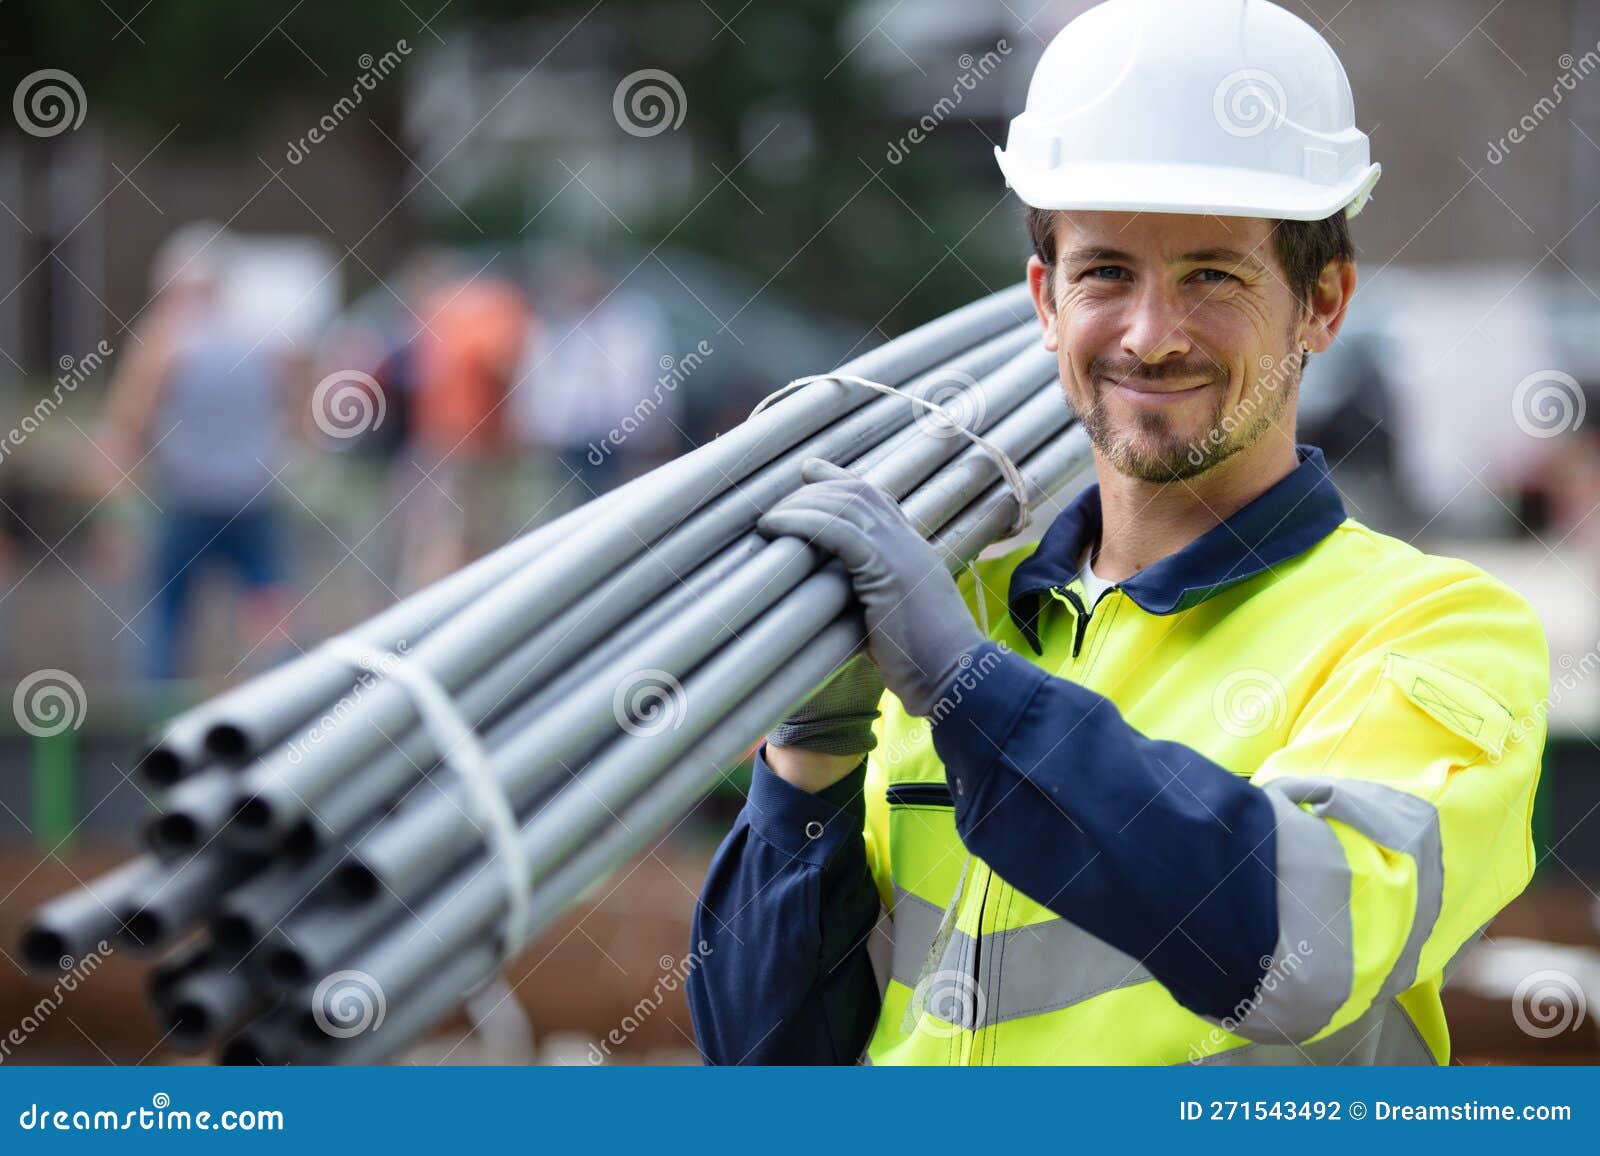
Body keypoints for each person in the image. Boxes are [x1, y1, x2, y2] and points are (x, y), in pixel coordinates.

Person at [687, 0, 1550, 1066]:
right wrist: (804, 778)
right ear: (1046, 299)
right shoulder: (954, 613)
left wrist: (965, 690)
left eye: (1211, 275)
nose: (1150, 334)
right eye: (1107, 272)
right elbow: (763, 1073)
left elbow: (1296, 946)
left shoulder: (1437, 635)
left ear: (1323, 303)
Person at [96, 222, 298, 682]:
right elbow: (295, 414)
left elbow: (127, 424)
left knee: (165, 615)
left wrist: (118, 513)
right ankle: (289, 708)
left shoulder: (165, 341)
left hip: (186, 499)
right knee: (269, 609)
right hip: (253, 498)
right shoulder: (261, 340)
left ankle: (157, 728)